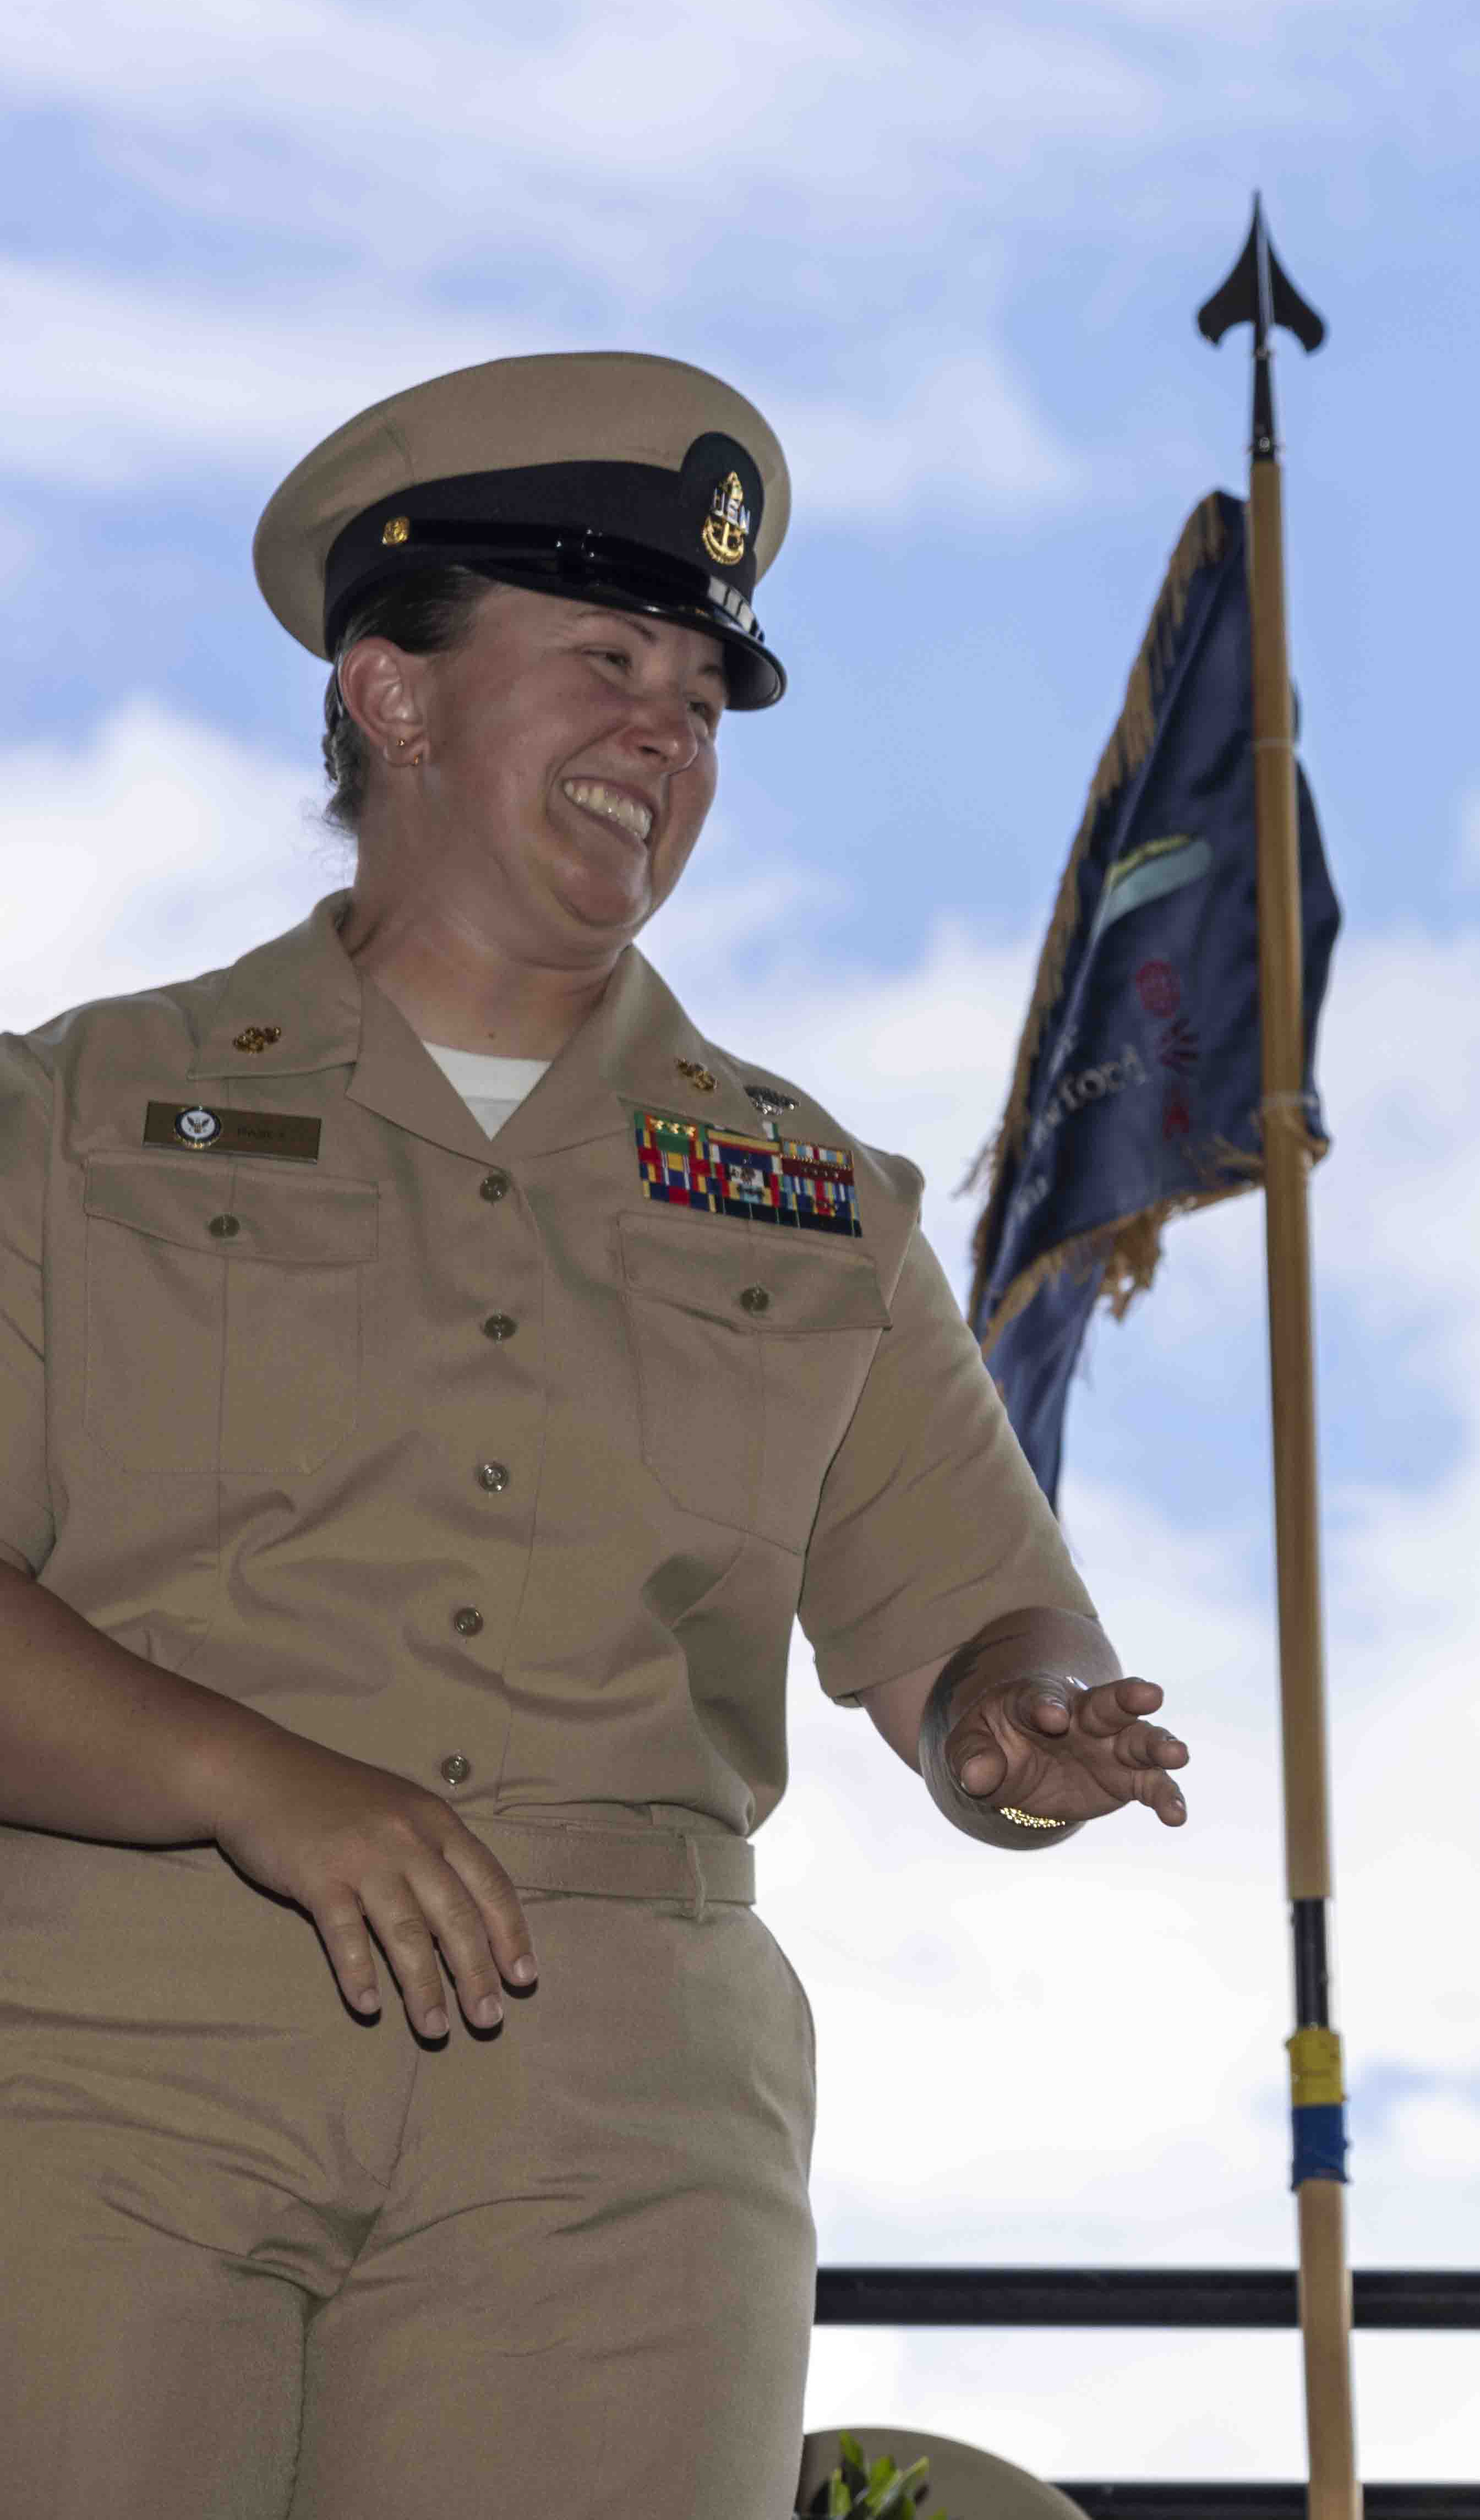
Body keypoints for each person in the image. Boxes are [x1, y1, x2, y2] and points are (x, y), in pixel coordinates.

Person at [0, 353, 1195, 2516]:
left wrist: (1018, 1731)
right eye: (609, 660)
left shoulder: (820, 1200)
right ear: (394, 695)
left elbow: (979, 1618)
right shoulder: (64, 1122)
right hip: (105, 2072)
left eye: (706, 694)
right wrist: (252, 1781)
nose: (667, 730)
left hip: (612, 2135)